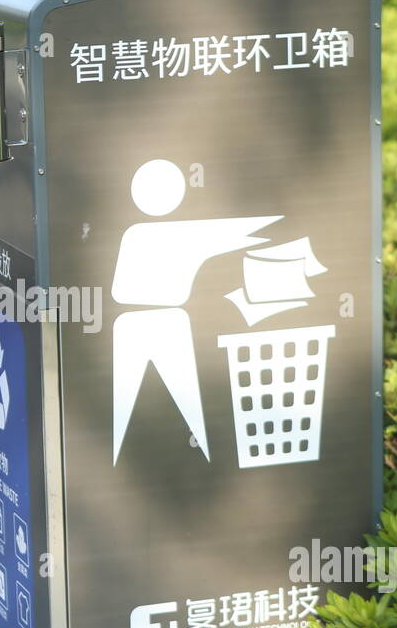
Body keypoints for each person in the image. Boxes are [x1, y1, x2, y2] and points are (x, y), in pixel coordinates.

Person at [111, 159, 278, 464]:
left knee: (181, 398)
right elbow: (217, 237)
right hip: (155, 323)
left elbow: (218, 237)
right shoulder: (146, 235)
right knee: (144, 398)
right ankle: (188, 450)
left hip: (149, 322)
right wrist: (259, 232)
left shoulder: (137, 234)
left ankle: (196, 450)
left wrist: (256, 234)